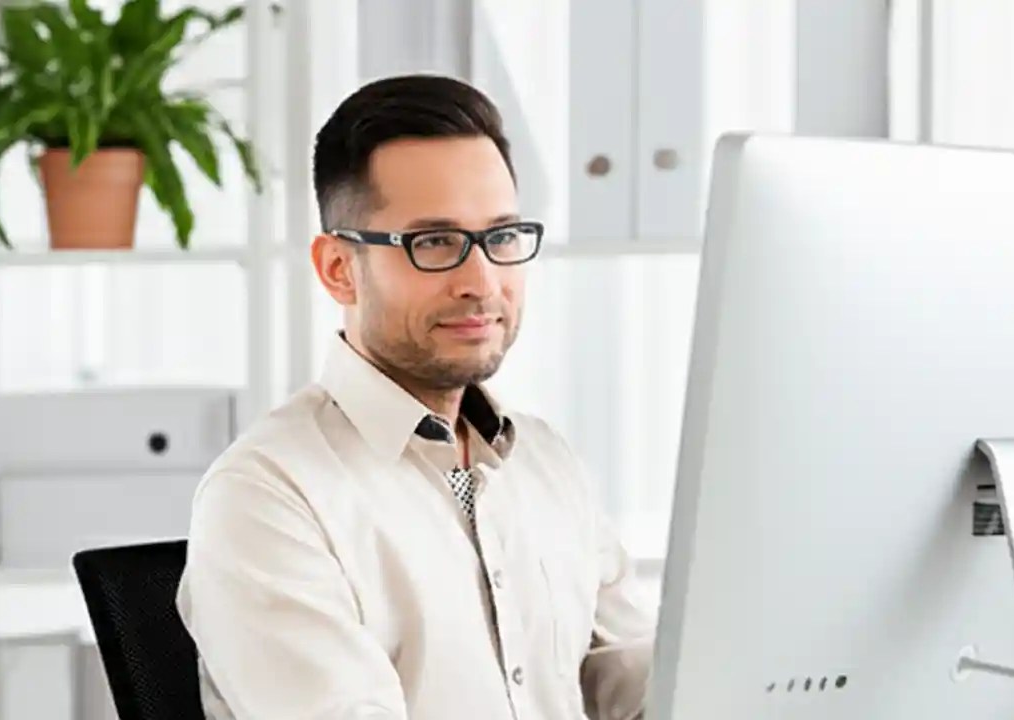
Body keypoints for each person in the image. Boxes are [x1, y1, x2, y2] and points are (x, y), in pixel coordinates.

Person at [176, 74, 656, 720]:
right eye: (434, 242)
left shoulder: (546, 462)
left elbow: (637, 682)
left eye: (501, 237)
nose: (481, 281)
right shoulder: (267, 495)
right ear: (339, 269)